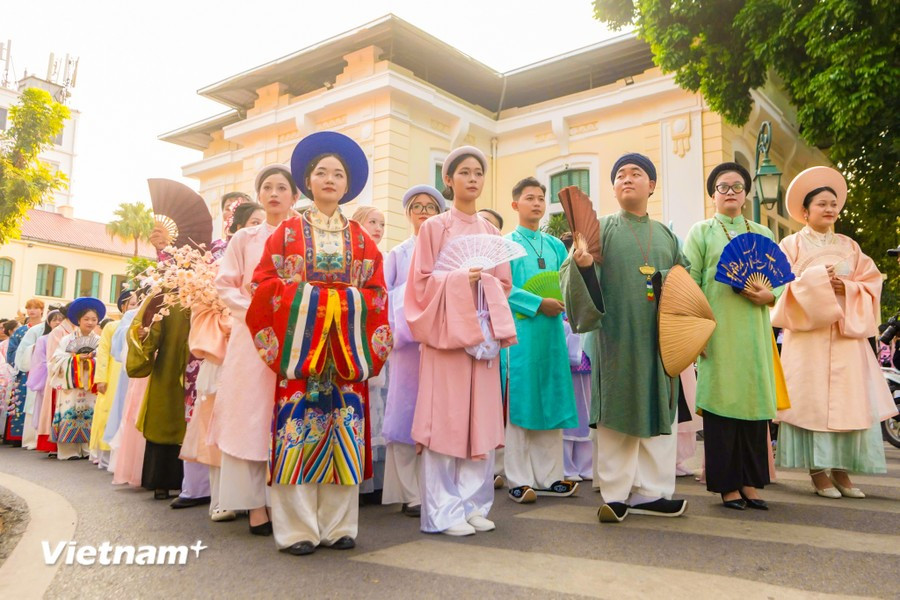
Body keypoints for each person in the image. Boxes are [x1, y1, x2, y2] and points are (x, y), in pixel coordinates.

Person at [246, 131, 391, 555]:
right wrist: (312, 301)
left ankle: (339, 526)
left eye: (338, 174)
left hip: (347, 355)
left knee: (344, 432)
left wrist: (339, 303)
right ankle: (297, 530)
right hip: (300, 352)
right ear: (308, 182)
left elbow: (378, 294)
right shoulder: (286, 233)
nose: (330, 179)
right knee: (296, 433)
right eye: (322, 172)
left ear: (348, 185)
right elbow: (263, 284)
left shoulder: (362, 239)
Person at [560, 152, 689, 523]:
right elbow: (571, 277)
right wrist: (583, 265)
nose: (627, 179)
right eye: (620, 175)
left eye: (636, 173)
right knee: (618, 412)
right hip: (617, 338)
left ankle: (653, 492)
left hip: (658, 340)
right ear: (614, 188)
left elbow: (685, 281)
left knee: (658, 411)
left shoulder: (666, 235)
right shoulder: (601, 229)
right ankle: (616, 494)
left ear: (652, 185)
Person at [405, 145, 516, 536]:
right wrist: (457, 279)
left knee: (480, 422)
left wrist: (483, 282)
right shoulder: (434, 228)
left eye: (478, 173)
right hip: (446, 338)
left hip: (481, 338)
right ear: (448, 180)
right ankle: (443, 510)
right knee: (446, 421)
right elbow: (419, 284)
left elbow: (504, 283)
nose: (472, 179)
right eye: (464, 172)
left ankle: (474, 504)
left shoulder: (491, 232)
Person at [772, 166, 897, 497]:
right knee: (811, 403)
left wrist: (849, 287)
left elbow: (871, 281)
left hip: (845, 333)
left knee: (849, 401)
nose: (829, 209)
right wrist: (816, 280)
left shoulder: (849, 246)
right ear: (805, 211)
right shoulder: (790, 245)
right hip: (809, 334)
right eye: (822, 204)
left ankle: (842, 471)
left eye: (833, 204)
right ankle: (818, 472)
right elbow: (781, 286)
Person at [682, 163, 781, 510]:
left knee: (753, 403)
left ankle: (750, 483)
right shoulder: (701, 232)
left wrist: (771, 295)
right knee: (723, 405)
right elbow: (690, 283)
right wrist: (697, 331)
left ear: (746, 194)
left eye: (737, 186)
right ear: (713, 195)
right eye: (722, 187)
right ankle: (727, 486)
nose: (730, 192)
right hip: (719, 330)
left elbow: (780, 281)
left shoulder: (763, 233)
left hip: (754, 332)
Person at [212, 167, 295, 533]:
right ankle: (255, 504)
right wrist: (258, 312)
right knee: (251, 414)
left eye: (282, 187)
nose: (274, 193)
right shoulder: (244, 238)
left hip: (293, 337)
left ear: (294, 196)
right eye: (267, 187)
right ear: (258, 195)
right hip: (251, 336)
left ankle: (286, 501)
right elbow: (225, 284)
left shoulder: (304, 236)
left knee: (286, 413)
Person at [501, 177, 578, 503]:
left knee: (552, 399)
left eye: (540, 199)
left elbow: (567, 282)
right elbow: (502, 288)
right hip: (521, 335)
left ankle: (550, 476)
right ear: (515, 204)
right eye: (529, 198)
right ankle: (518, 478)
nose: (536, 203)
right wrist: (536, 303)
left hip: (552, 334)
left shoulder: (556, 246)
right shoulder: (506, 245)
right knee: (522, 402)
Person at [381, 184, 444, 517]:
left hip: (441, 344)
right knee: (406, 411)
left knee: (437, 413)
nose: (423, 212)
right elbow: (384, 297)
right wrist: (415, 297)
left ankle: (436, 489)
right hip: (407, 347)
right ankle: (410, 493)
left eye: (430, 206)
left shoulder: (448, 251)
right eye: (417, 206)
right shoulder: (398, 253)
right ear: (407, 214)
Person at [352, 204, 388, 504]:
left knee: (378, 406)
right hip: (354, 333)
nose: (377, 228)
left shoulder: (383, 258)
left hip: (377, 332)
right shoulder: (350, 257)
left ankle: (375, 481)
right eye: (372, 222)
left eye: (382, 224)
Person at [48, 297, 105, 460]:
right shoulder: (67, 340)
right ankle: (69, 451)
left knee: (90, 413)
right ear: (78, 320)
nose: (90, 322)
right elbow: (55, 360)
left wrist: (92, 360)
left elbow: (104, 361)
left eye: (94, 319)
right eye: (86, 319)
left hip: (90, 384)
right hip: (71, 384)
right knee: (70, 411)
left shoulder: (100, 341)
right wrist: (76, 359)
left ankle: (88, 449)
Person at [37, 304, 75, 456]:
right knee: (56, 409)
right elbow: (53, 358)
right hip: (60, 376)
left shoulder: (77, 330)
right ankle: (54, 444)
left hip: (75, 375)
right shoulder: (58, 331)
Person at [5, 299, 44, 445]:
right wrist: (24, 358)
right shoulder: (20, 331)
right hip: (23, 372)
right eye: (29, 308)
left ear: (42, 310)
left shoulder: (47, 328)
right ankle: (16, 435)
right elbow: (11, 351)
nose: (32, 311)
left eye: (36, 308)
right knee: (20, 399)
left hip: (41, 370)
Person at [24, 311, 64, 452]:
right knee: (45, 410)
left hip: (63, 377)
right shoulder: (43, 339)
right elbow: (39, 361)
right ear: (48, 322)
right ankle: (45, 440)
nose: (57, 322)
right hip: (47, 377)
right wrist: (52, 370)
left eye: (60, 320)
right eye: (54, 320)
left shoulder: (67, 337)